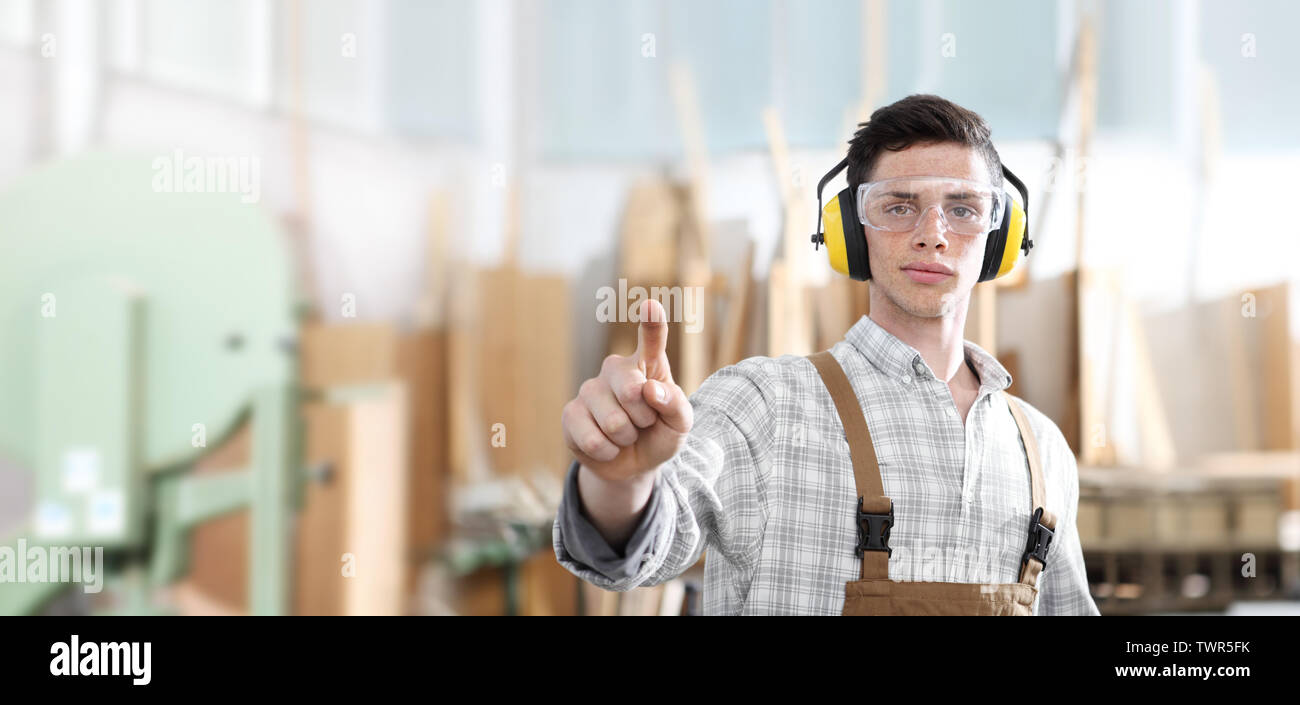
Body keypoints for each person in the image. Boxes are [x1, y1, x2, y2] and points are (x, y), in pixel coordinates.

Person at [553, 94, 1099, 615]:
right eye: (900, 205)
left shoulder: (1042, 450)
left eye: (963, 208)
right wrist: (620, 481)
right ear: (850, 231)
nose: (934, 234)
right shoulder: (762, 405)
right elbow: (641, 548)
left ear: (1001, 235)